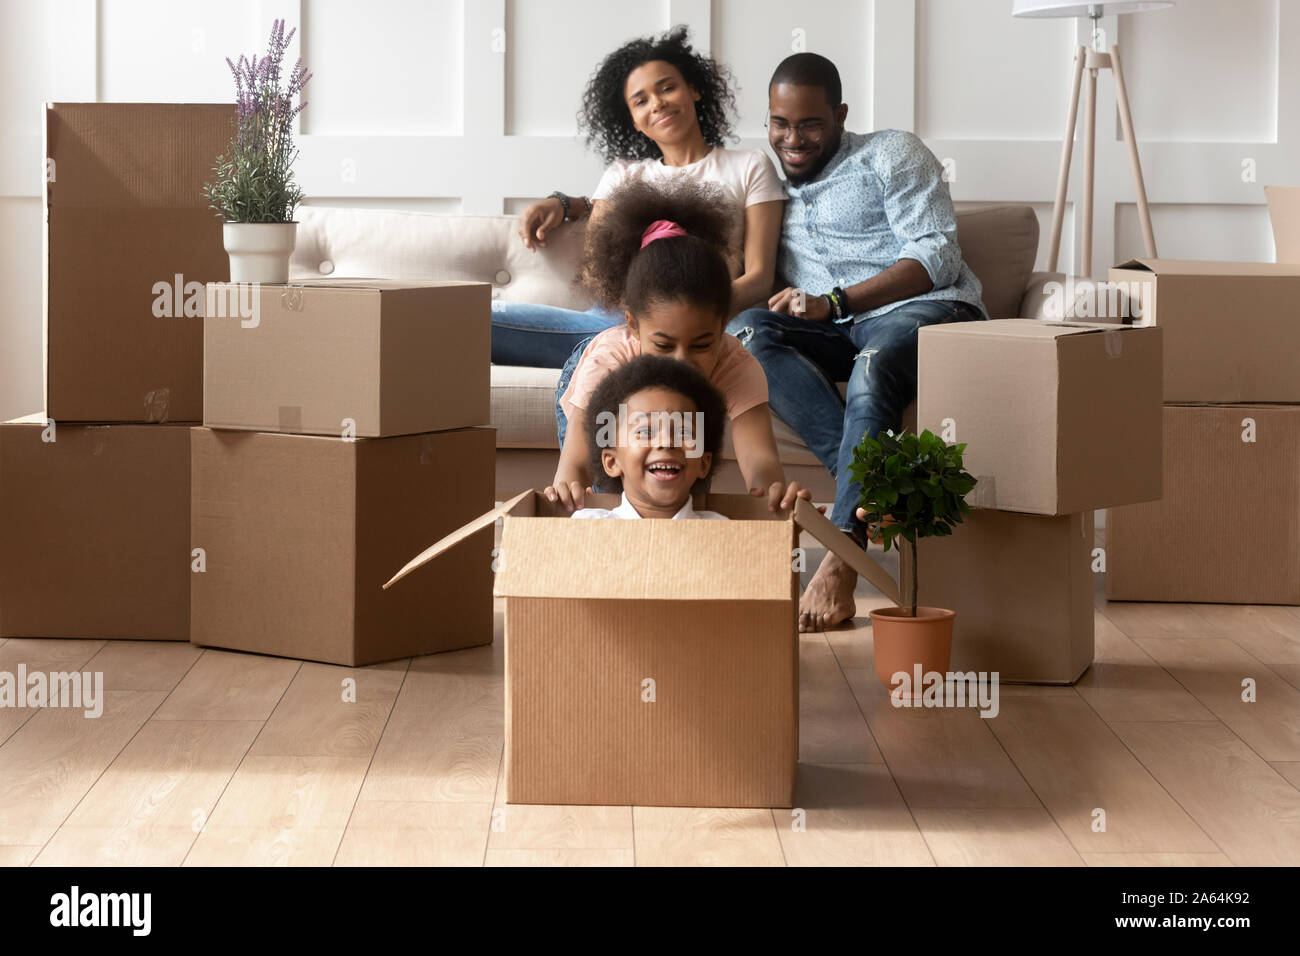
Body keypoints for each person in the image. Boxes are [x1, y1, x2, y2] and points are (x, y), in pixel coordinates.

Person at [733, 53, 989, 633]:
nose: (791, 140)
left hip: (926, 309)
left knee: (873, 367)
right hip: (834, 330)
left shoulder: (892, 152)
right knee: (743, 330)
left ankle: (842, 552)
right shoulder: (767, 182)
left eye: (809, 125)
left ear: (841, 115)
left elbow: (935, 255)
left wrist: (837, 302)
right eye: (779, 123)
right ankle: (878, 485)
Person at [492, 25, 786, 368]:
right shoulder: (622, 175)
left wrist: (691, 319)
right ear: (632, 120)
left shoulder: (749, 165)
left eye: (667, 88)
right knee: (474, 320)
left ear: (693, 89)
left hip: (706, 323)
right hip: (618, 322)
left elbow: (760, 277)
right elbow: (600, 269)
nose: (657, 103)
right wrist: (649, 323)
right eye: (641, 100)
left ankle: (616, 356)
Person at [547, 177, 807, 515]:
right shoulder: (610, 361)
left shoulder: (736, 365)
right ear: (634, 327)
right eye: (664, 345)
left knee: (682, 500)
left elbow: (760, 463)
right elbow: (577, 466)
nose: (682, 363)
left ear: (722, 325)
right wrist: (567, 494)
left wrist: (773, 496)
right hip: (602, 397)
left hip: (689, 413)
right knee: (612, 499)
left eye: (702, 344)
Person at [571, 356, 728, 520]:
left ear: (704, 463)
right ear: (612, 462)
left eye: (684, 432)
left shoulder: (724, 530)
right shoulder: (587, 525)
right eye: (645, 432)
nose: (666, 442)